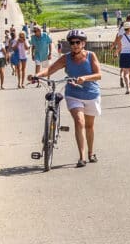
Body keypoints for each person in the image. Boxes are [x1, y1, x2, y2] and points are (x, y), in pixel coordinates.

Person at [35, 29, 102, 167]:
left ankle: (91, 153)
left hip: (91, 94)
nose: (75, 45)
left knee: (89, 125)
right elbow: (50, 70)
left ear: (83, 43)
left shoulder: (91, 56)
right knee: (79, 121)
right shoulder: (66, 58)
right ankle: (82, 157)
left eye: (78, 42)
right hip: (73, 94)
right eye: (72, 43)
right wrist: (37, 75)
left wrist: (85, 78)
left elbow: (98, 75)